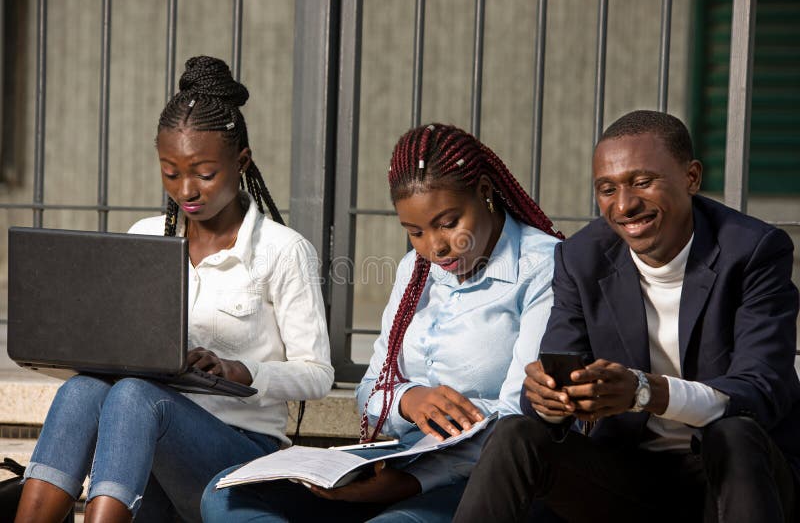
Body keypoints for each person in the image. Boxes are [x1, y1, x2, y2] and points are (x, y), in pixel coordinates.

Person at [14, 56, 334, 523]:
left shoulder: (285, 251)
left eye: (204, 173)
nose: (186, 189)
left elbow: (317, 374)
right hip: (144, 455)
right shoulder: (144, 237)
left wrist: (239, 370)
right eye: (170, 172)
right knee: (85, 390)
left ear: (240, 162)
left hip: (236, 454)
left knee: (134, 396)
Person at [201, 123, 564, 522]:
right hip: (395, 461)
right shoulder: (416, 269)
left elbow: (520, 423)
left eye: (448, 222)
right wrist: (408, 401)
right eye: (415, 232)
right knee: (227, 493)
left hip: (479, 480)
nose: (435, 246)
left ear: (484, 191)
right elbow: (370, 390)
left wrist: (412, 482)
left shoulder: (543, 267)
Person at [453, 110, 800, 523]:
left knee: (735, 432)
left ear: (691, 177)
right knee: (516, 433)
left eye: (642, 182)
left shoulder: (754, 251)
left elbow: (761, 391)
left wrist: (645, 391)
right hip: (631, 480)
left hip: (738, 480)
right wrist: (549, 398)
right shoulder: (581, 258)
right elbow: (556, 372)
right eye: (607, 188)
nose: (624, 205)